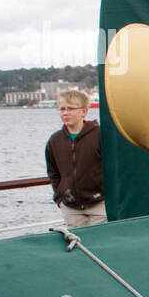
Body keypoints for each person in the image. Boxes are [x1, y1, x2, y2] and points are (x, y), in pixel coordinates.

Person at [46, 90, 106, 227]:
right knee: (78, 244)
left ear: (83, 111)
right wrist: (59, 199)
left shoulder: (99, 136)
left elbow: (113, 168)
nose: (65, 113)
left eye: (70, 109)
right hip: (71, 207)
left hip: (99, 204)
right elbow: (53, 172)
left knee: (99, 242)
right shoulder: (55, 140)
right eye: (62, 109)